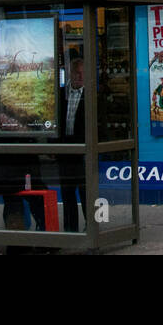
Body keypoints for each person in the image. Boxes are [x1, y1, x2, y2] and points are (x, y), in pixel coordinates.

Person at [57, 56, 88, 232]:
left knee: (86, 191)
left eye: (83, 73)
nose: (80, 77)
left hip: (84, 149)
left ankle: (91, 227)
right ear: (70, 73)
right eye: (77, 73)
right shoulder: (61, 94)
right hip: (65, 149)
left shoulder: (90, 95)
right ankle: (71, 229)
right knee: (67, 192)